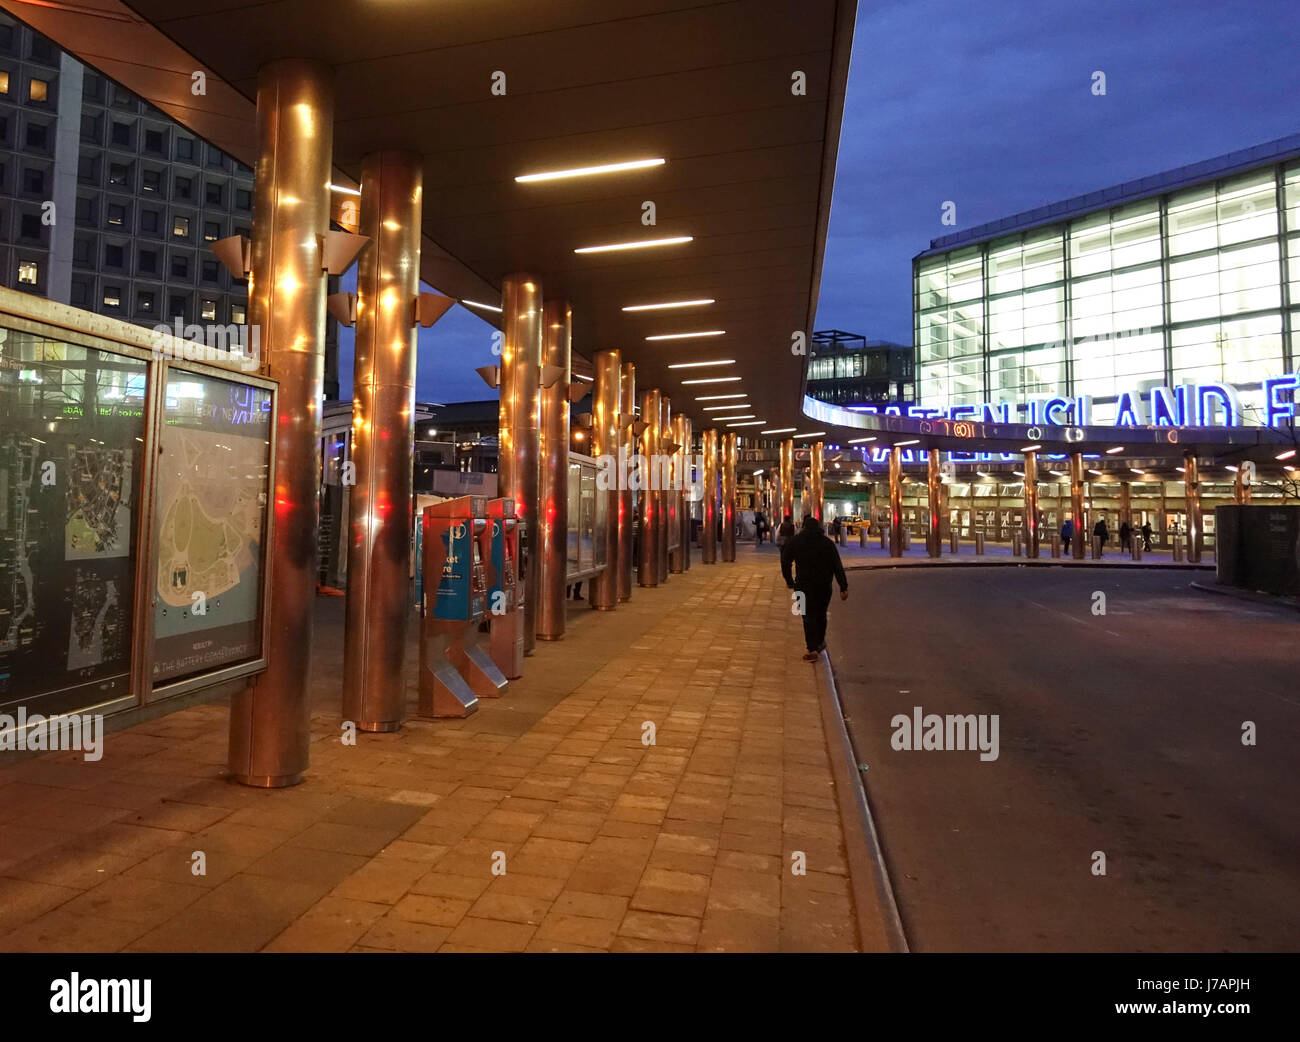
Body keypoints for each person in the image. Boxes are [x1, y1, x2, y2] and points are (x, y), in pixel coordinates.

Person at [780, 516, 848, 662]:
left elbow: (785, 561)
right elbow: (837, 565)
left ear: (804, 527)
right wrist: (843, 586)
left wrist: (789, 580)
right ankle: (819, 642)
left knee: (807, 616)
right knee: (821, 614)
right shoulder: (827, 543)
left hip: (803, 585)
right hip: (823, 586)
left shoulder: (796, 541)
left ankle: (812, 648)